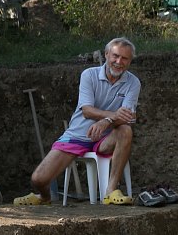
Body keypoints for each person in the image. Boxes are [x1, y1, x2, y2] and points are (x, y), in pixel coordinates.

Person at [14, 37, 140, 206]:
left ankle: (110, 191)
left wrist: (106, 121)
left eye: (125, 58)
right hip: (77, 136)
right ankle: (44, 198)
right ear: (107, 54)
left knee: (125, 130)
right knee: (38, 179)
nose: (119, 62)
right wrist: (112, 116)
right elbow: (87, 110)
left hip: (105, 139)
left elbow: (127, 117)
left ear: (130, 61)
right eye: (115, 56)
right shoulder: (89, 75)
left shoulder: (133, 82)